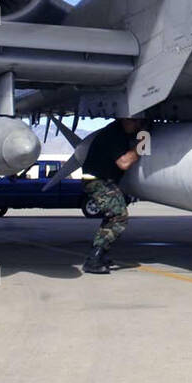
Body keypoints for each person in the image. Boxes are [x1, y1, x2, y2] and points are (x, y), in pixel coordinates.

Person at [80, 117, 146, 274]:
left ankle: (100, 254)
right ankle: (94, 259)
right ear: (124, 120)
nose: (137, 125)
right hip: (97, 181)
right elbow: (124, 163)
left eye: (139, 122)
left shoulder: (120, 132)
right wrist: (142, 144)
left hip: (102, 180)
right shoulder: (114, 134)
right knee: (119, 216)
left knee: (112, 217)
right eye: (135, 121)